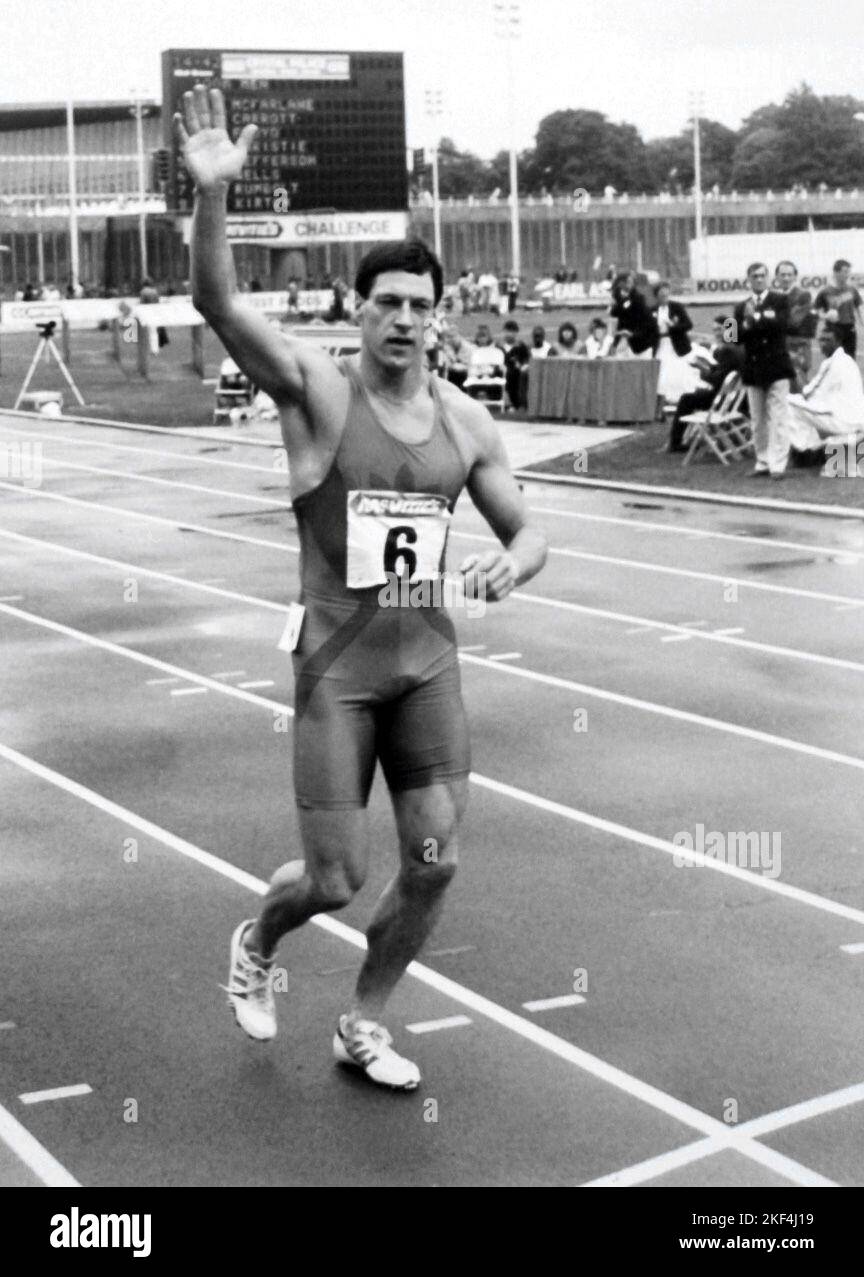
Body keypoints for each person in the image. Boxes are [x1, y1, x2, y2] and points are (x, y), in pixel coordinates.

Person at [176, 85, 547, 1090]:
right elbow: (217, 302)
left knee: (434, 860)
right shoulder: (315, 391)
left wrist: (511, 562)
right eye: (387, 301)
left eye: (421, 305)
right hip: (336, 669)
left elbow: (528, 531)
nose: (404, 319)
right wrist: (213, 197)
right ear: (360, 307)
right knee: (334, 879)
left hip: (427, 668)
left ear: (440, 315)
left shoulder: (469, 423)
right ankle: (261, 931)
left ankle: (363, 1020)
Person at [733, 262, 794, 479]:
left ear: (768, 278)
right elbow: (731, 337)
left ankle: (778, 464)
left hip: (776, 365)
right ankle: (763, 461)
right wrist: (748, 324)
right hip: (754, 367)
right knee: (757, 420)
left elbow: (783, 325)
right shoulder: (740, 307)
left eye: (762, 276)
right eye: (754, 276)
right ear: (748, 279)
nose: (759, 280)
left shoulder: (780, 300)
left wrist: (756, 318)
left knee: (778, 417)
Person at [666, 315, 744, 452]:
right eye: (715, 330)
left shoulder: (728, 351)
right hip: (734, 398)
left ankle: (675, 442)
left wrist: (702, 369)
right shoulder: (737, 348)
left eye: (720, 329)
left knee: (686, 399)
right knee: (694, 395)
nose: (717, 333)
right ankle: (676, 442)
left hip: (724, 402)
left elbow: (717, 380)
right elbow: (722, 371)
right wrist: (708, 367)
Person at [787, 325, 864, 463]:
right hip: (853, 419)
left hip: (844, 420)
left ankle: (807, 451)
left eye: (828, 340)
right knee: (800, 406)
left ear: (838, 341)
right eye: (821, 340)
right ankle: (811, 448)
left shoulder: (833, 362)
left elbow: (807, 393)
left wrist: (795, 367)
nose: (823, 344)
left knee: (786, 402)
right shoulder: (847, 360)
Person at [652, 281, 697, 404]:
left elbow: (688, 325)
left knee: (678, 372)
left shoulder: (677, 307)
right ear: (656, 296)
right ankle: (662, 402)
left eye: (666, 295)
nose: (665, 299)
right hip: (660, 344)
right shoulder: (652, 310)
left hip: (676, 345)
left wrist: (673, 327)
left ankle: (680, 400)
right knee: (661, 373)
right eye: (662, 296)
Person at [774, 259, 816, 384]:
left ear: (795, 276)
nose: (786, 278)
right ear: (776, 277)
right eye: (782, 275)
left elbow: (793, 322)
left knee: (798, 385)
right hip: (781, 346)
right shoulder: (775, 296)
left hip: (798, 347)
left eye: (789, 275)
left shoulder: (803, 295)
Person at [814, 259, 862, 357]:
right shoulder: (825, 291)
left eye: (849, 272)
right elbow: (817, 312)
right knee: (832, 359)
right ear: (835, 272)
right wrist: (826, 316)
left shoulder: (852, 290)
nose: (848, 274)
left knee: (850, 359)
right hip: (832, 329)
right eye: (845, 272)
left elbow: (859, 308)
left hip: (849, 328)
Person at [609, 271, 657, 358]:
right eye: (628, 282)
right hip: (625, 341)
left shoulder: (638, 299)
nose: (630, 285)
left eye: (631, 282)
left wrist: (633, 334)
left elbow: (646, 323)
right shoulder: (618, 299)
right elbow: (617, 320)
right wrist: (615, 343)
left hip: (641, 343)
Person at [497, 319, 530, 408]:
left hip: (516, 371)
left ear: (516, 333)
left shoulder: (521, 346)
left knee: (515, 375)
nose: (509, 334)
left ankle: (515, 403)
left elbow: (527, 360)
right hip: (501, 370)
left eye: (511, 331)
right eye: (507, 331)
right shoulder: (499, 346)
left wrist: (523, 365)